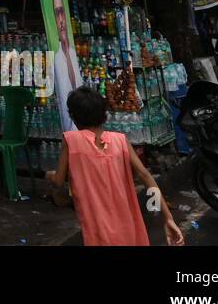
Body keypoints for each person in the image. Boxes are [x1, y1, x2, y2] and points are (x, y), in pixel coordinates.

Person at [48, 86, 184, 246]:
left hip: (98, 230)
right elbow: (146, 177)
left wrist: (49, 175)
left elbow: (58, 182)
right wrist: (167, 217)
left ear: (73, 117)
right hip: (128, 226)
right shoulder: (120, 141)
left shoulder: (71, 141)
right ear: (104, 114)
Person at [48, 0, 82, 133]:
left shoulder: (73, 54)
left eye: (62, 12)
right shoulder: (56, 60)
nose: (61, 20)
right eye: (57, 14)